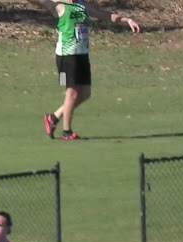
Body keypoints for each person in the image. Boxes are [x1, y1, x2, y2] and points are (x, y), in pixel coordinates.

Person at [34, 0, 140, 141]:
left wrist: (127, 20)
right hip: (66, 57)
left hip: (82, 55)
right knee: (71, 92)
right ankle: (67, 132)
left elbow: (105, 15)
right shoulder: (58, 5)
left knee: (85, 93)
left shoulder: (82, 5)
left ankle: (53, 117)